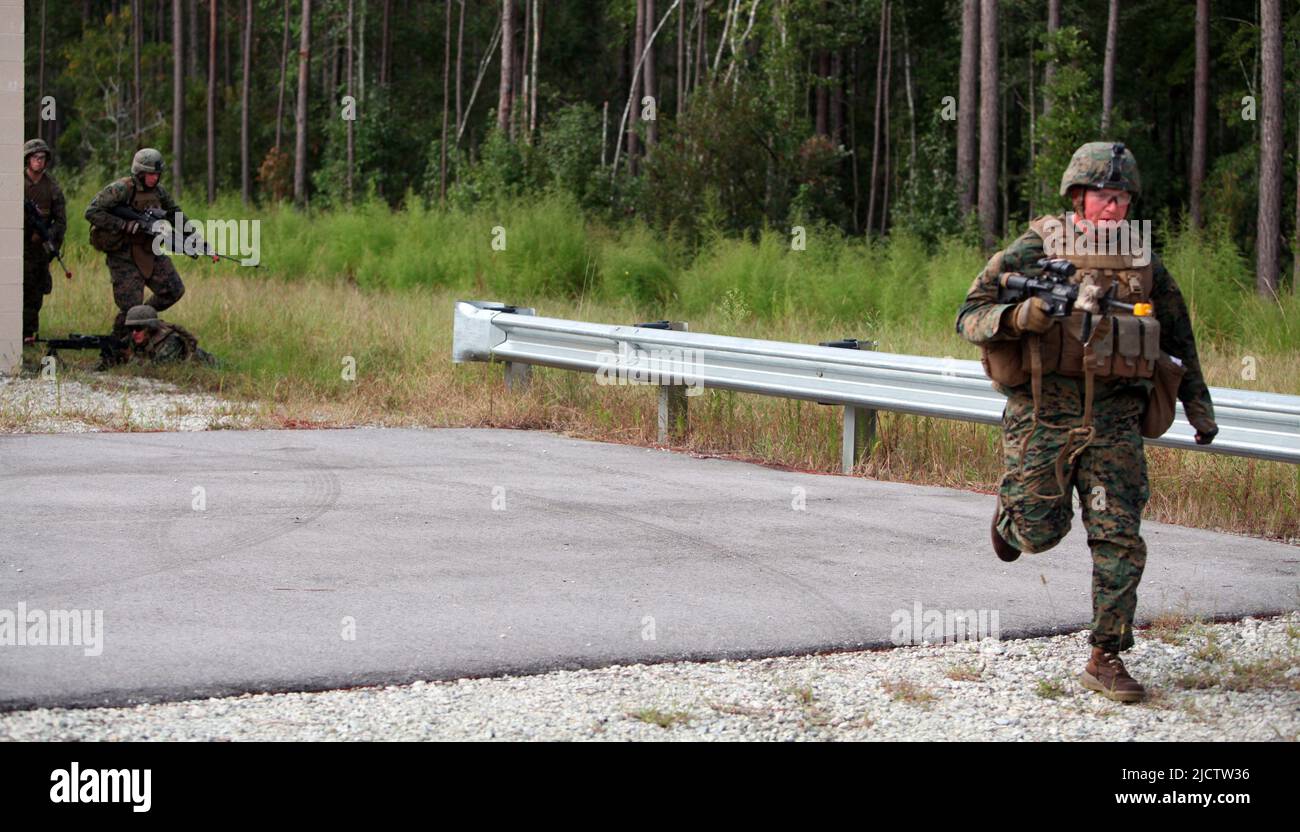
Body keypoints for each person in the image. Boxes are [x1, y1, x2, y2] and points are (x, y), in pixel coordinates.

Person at [955, 142, 1218, 703]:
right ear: (1078, 197)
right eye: (1103, 196)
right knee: (1039, 533)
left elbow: (1179, 340)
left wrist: (1200, 407)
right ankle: (1012, 521)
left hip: (1116, 419)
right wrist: (1018, 316)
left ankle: (1106, 655)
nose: (1113, 208)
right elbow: (969, 315)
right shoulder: (1033, 248)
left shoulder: (1143, 261)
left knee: (1119, 537)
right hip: (1042, 416)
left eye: (1121, 197)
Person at [85, 148, 208, 340]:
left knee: (173, 289)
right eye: (151, 174)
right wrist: (123, 225)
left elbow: (174, 213)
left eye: (158, 174)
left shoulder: (159, 192)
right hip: (122, 254)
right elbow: (92, 211)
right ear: (140, 173)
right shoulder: (121, 188)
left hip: (148, 249)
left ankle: (143, 319)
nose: (155, 178)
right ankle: (116, 349)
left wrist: (195, 239)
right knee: (130, 307)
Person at [22, 138, 68, 343]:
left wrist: (47, 240)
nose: (39, 162)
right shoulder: (15, 182)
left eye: (42, 158)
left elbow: (61, 222)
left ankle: (28, 334)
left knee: (34, 292)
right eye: (35, 157)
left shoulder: (52, 188)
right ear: (27, 159)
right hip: (13, 246)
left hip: (37, 249)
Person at [122, 305, 217, 366]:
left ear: (150, 328)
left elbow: (158, 368)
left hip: (212, 365)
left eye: (138, 328)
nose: (134, 332)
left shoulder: (171, 341)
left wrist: (131, 358)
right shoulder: (136, 337)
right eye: (131, 328)